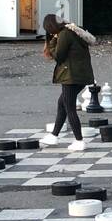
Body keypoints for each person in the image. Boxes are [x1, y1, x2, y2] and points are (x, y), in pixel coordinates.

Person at [39, 14, 95, 152]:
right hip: (81, 74)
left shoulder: (64, 34)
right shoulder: (74, 30)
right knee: (62, 103)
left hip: (71, 75)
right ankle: (54, 135)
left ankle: (79, 140)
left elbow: (59, 56)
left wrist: (52, 42)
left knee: (69, 107)